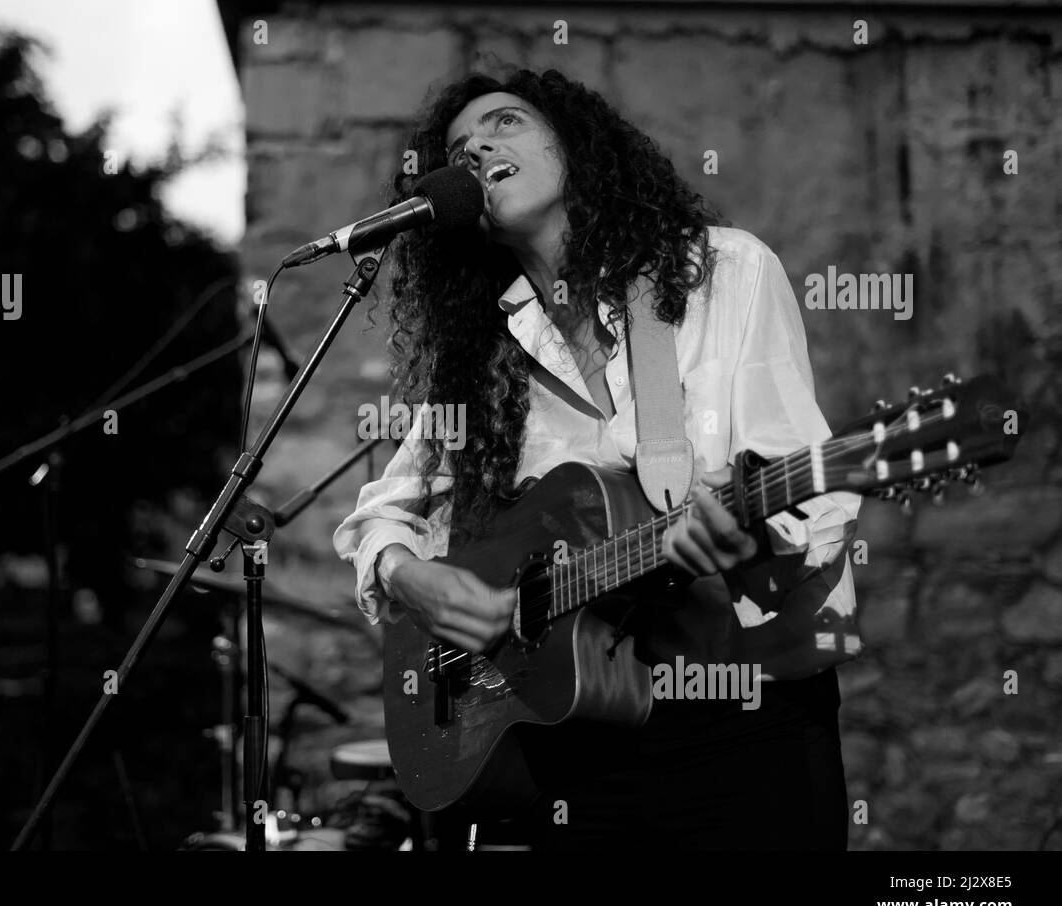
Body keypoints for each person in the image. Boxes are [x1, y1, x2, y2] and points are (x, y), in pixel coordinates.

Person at [333, 67, 861, 851]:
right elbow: (381, 512)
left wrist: (744, 540)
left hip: (744, 723)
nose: (476, 145)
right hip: (575, 756)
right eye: (457, 146)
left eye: (505, 123)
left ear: (575, 144)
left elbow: (812, 499)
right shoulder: (481, 359)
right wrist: (414, 578)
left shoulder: (723, 274)